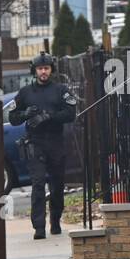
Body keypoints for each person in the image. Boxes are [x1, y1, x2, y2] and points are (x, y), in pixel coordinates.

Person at [9, 53, 77, 239]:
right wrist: (25, 114)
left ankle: (55, 220)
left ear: (51, 70)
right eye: (40, 69)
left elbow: (71, 113)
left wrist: (50, 116)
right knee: (38, 185)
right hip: (35, 143)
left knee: (57, 185)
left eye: (46, 68)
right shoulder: (25, 93)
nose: (43, 72)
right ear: (35, 71)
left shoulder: (60, 90)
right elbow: (12, 118)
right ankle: (39, 227)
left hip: (55, 142)